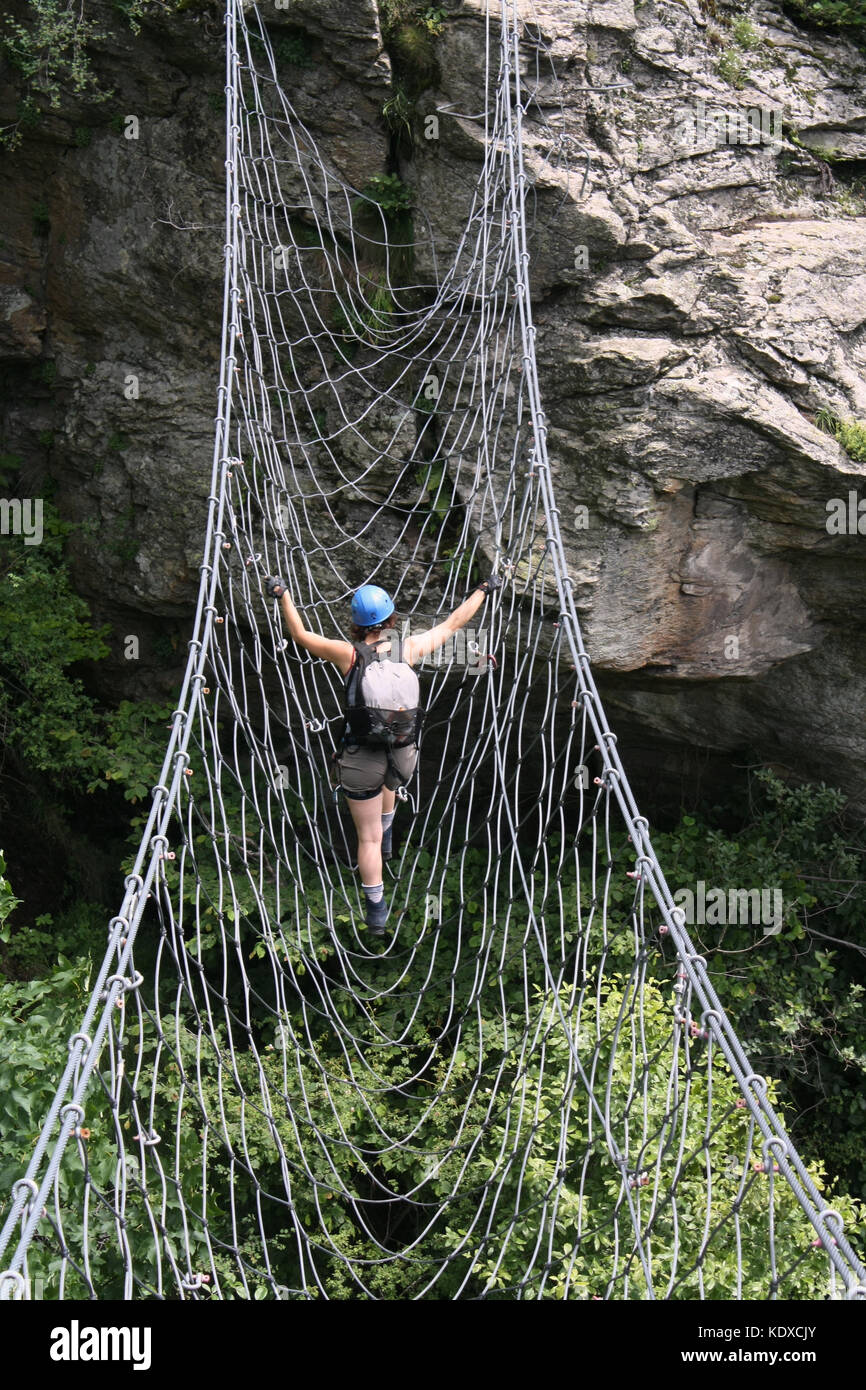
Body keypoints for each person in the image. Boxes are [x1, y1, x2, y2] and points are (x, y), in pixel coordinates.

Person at [264, 575, 501, 932]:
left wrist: (284, 594)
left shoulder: (347, 654)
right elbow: (454, 622)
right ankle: (389, 830)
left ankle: (376, 911)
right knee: (389, 771)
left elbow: (300, 636)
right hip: (404, 758)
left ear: (356, 625)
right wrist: (483, 590)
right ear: (392, 620)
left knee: (367, 837)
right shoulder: (409, 649)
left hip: (361, 761)